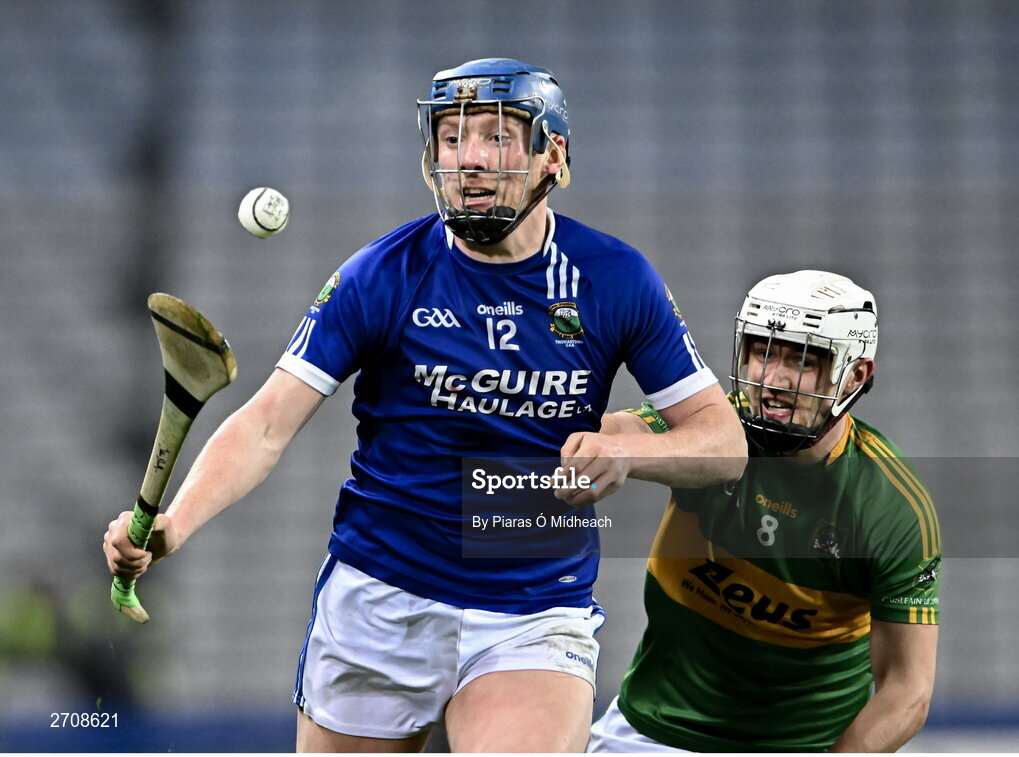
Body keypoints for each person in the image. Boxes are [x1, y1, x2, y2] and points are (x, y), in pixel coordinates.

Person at [103, 58, 747, 753]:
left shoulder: (615, 281)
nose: (468, 158)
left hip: (531, 609)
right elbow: (265, 423)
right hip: (381, 597)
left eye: (497, 135)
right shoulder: (380, 275)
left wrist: (630, 449)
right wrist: (178, 520)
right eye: (450, 136)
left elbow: (724, 442)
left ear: (550, 154)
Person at [589, 270, 941, 753]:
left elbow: (908, 691)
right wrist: (590, 447)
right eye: (762, 351)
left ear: (855, 374)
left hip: (806, 747)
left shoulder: (891, 507)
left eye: (802, 360)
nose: (772, 380)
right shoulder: (714, 431)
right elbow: (622, 432)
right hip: (653, 733)